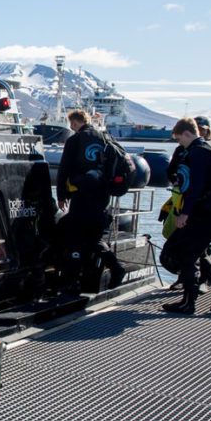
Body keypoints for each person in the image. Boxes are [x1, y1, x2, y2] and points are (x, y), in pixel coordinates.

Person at [159, 117, 211, 314]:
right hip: (208, 214)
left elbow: (196, 187)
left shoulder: (199, 153)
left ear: (186, 133)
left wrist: (185, 213)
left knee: (181, 253)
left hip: (201, 214)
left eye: (179, 139)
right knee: (199, 254)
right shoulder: (208, 149)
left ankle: (189, 302)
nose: (179, 144)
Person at [54, 109, 126, 293]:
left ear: (75, 122)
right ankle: (115, 268)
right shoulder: (104, 137)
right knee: (93, 234)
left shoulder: (75, 140)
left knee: (77, 233)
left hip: (82, 193)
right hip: (102, 195)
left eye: (72, 123)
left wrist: (61, 195)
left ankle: (72, 280)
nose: (71, 127)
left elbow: (64, 169)